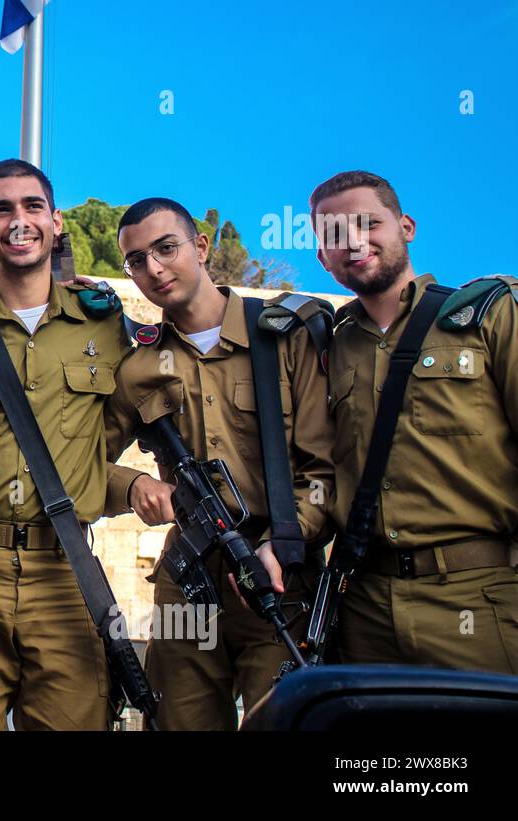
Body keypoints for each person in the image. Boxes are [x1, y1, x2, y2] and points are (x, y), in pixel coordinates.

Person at [101, 197, 334, 730]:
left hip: (278, 580)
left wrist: (285, 539)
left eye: (166, 248)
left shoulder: (281, 335)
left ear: (201, 247)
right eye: (136, 260)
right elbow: (80, 462)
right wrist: (132, 485)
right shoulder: (138, 362)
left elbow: (325, 472)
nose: (153, 269)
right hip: (188, 581)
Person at [0, 159, 129, 730]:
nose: (19, 221)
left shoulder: (107, 329)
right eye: (2, 209)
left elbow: (106, 443)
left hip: (65, 571)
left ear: (57, 222)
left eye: (32, 206)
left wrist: (138, 485)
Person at [312, 170, 518, 673]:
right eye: (334, 235)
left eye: (368, 223)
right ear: (322, 258)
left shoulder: (487, 315)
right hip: (362, 608)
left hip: (481, 598)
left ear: (406, 226)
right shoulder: (323, 347)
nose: (354, 242)